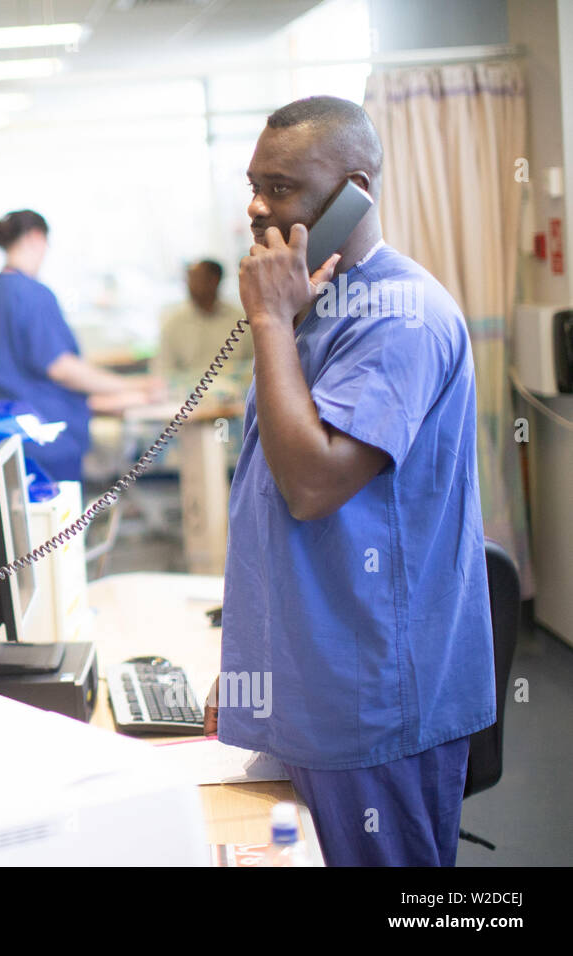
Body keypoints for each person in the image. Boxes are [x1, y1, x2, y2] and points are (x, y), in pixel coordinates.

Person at [203, 96, 494, 867]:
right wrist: (247, 667)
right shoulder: (317, 304)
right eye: (254, 184)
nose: (258, 206)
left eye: (284, 186)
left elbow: (312, 485)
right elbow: (278, 520)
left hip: (367, 702)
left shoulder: (402, 317)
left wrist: (266, 321)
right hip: (307, 686)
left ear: (354, 190)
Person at [0, 210, 157, 482]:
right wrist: (134, 386)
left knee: (17, 520)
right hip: (46, 440)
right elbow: (62, 368)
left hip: (1, 439)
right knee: (56, 522)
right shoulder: (32, 294)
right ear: (36, 237)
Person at [154, 259, 252, 397]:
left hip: (235, 397)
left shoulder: (239, 319)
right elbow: (164, 371)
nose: (190, 285)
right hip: (190, 400)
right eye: (189, 279)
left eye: (197, 279)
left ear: (215, 280)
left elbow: (253, 365)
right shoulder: (173, 323)